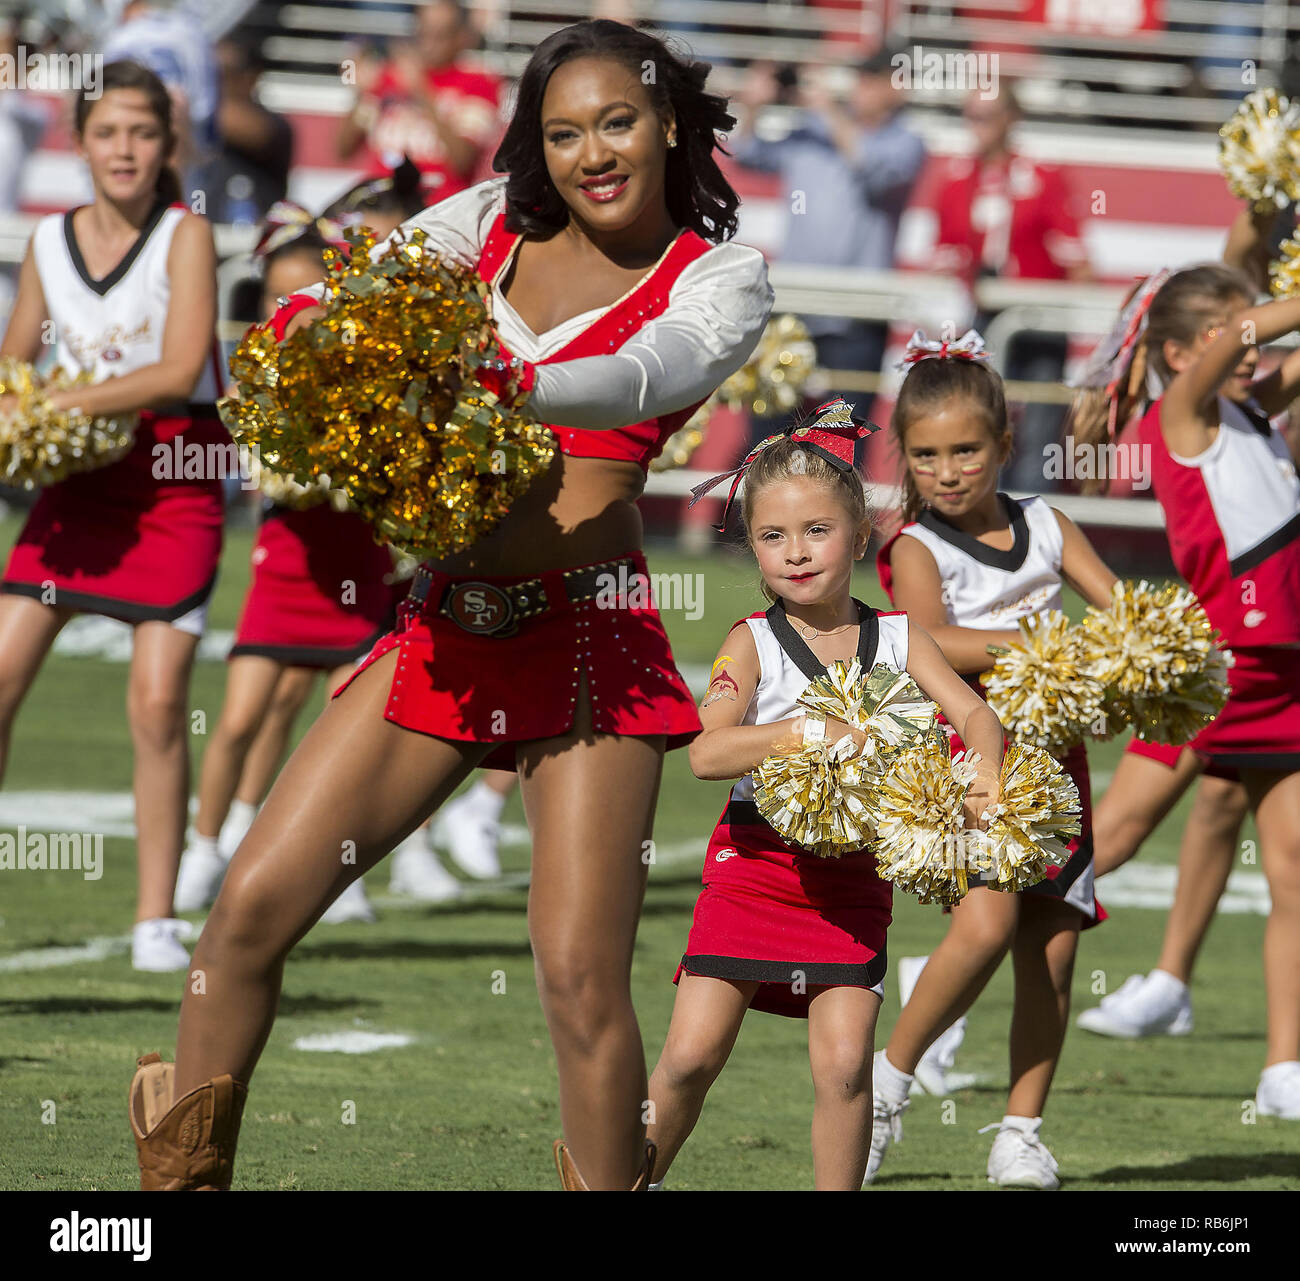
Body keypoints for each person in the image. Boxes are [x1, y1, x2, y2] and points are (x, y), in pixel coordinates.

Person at [128, 18, 774, 1191]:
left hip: (587, 644)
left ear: (667, 122)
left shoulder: (720, 274)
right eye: (561, 131)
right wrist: (308, 337)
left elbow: (647, 375)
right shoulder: (480, 227)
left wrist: (509, 381)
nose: (591, 153)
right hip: (440, 627)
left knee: (579, 982)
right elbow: (350, 300)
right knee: (242, 922)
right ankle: (178, 1197)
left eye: (616, 123)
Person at [645, 399, 1004, 1191]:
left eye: (817, 531)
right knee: (690, 1056)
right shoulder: (753, 641)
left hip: (851, 882)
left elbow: (975, 711)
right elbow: (705, 750)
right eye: (772, 536)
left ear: (861, 535)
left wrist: (984, 769)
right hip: (752, 869)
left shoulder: (903, 637)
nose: (796, 553)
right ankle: (634, 1179)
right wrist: (816, 732)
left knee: (845, 1069)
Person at [867, 332, 1119, 1189]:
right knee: (985, 922)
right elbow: (928, 638)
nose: (946, 471)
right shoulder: (915, 546)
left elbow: (1117, 611)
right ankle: (887, 1083)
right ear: (906, 457)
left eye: (966, 450)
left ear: (1005, 444)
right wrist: (1038, 641)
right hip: (975, 756)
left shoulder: (1048, 522)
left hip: (1061, 764)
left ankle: (1021, 1132)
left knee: (1052, 952)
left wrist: (1146, 654)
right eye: (927, 454)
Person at [0, 60, 226, 971]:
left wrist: (60, 406)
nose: (125, 150)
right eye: (107, 133)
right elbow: (17, 358)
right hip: (79, 489)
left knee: (159, 701)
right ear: (80, 142)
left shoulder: (185, 236)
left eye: (142, 133)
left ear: (166, 145)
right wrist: (17, 405)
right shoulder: (49, 240)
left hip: (172, 478)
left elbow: (177, 372)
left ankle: (153, 920)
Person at [1064, 265, 1300, 1121]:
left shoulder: (1246, 409)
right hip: (1221, 670)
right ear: (1177, 354)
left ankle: (1284, 1071)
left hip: (1285, 670)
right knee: (1106, 842)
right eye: (1231, 338)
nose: (1255, 350)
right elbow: (1244, 337)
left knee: (1294, 869)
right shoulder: (1182, 416)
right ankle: (942, 1002)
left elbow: (1262, 347)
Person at [173, 206, 401, 921]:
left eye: (308, 296)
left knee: (348, 729)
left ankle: (340, 867)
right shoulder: (253, 373)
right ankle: (202, 850)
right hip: (288, 561)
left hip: (358, 559)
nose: (293, 312)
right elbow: (242, 446)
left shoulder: (373, 367)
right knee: (239, 716)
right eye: (280, 298)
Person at [729, 49, 925, 425]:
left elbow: (871, 167)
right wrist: (753, 107)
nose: (861, 87)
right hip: (795, 306)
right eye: (861, 77)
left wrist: (825, 109)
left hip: (857, 314)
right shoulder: (811, 133)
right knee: (769, 435)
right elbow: (747, 154)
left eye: (873, 79)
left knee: (844, 441)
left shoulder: (906, 142)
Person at [928, 83, 1091, 493]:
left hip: (1038, 322)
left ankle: (1032, 534)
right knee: (980, 424)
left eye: (987, 115)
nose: (977, 126)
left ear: (1011, 119)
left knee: (1037, 428)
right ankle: (982, 528)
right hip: (978, 319)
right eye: (971, 116)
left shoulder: (1042, 177)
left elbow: (1076, 258)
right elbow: (943, 257)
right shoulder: (956, 180)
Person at [336, 0, 503, 207]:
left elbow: (463, 161)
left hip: (440, 210)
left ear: (462, 37)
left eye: (440, 35)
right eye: (423, 32)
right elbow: (343, 150)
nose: (428, 43)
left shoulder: (479, 82)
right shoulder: (390, 76)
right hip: (383, 207)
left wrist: (422, 91)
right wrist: (360, 92)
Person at [202, 37, 294, 226]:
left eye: (224, 74)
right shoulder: (200, 118)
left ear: (251, 77)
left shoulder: (273, 126)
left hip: (252, 241)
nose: (214, 83)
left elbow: (248, 129)